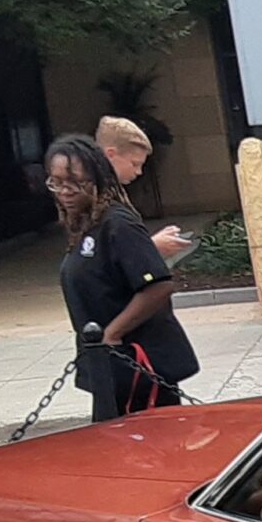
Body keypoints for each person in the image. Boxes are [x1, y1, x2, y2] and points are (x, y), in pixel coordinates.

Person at [44, 134, 198, 421]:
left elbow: (158, 285)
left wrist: (112, 334)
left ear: (97, 178)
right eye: (57, 182)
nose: (65, 191)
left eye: (75, 182)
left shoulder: (118, 223)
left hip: (136, 364)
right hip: (108, 367)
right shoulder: (85, 225)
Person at [94, 116, 192, 262]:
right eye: (134, 164)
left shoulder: (108, 192)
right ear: (111, 154)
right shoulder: (91, 197)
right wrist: (152, 247)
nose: (139, 171)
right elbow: (101, 258)